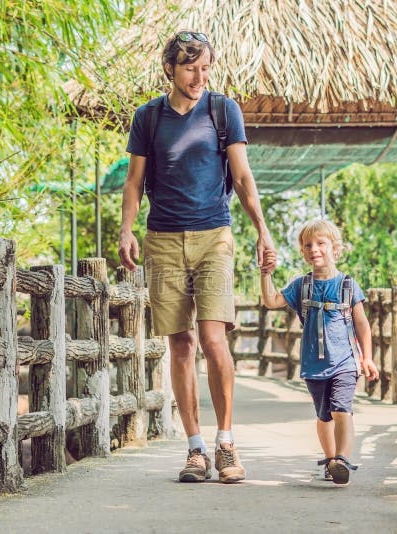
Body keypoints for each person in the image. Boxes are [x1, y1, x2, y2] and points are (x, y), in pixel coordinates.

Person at [118, 30, 276, 484]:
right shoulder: (148, 117)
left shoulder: (223, 110)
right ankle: (195, 449)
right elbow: (134, 182)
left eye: (205, 68)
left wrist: (262, 229)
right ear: (170, 69)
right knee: (181, 344)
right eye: (190, 69)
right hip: (163, 240)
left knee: (212, 337)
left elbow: (242, 178)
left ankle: (226, 443)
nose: (199, 77)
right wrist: (126, 229)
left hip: (214, 237)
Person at [260, 219, 378, 484]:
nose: (314, 249)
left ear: (335, 248)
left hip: (345, 362)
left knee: (341, 409)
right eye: (307, 245)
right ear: (303, 252)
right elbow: (271, 301)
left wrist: (367, 357)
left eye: (320, 243)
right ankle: (330, 460)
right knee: (324, 416)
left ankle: (342, 460)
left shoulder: (348, 285)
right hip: (314, 365)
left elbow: (362, 324)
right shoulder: (301, 286)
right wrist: (266, 273)